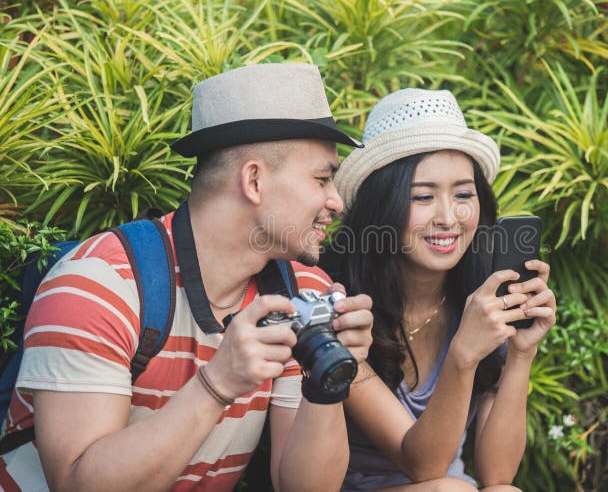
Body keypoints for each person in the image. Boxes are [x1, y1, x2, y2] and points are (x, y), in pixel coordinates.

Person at [0, 64, 374, 491]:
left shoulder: (303, 292)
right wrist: (217, 384)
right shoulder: (100, 285)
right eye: (323, 179)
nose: (336, 201)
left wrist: (327, 383)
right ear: (253, 180)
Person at [320, 88, 557, 491]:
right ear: (383, 205)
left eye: (464, 194)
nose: (448, 217)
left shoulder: (482, 298)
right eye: (423, 197)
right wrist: (464, 352)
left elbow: (498, 473)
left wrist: (521, 352)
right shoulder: (344, 303)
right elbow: (423, 466)